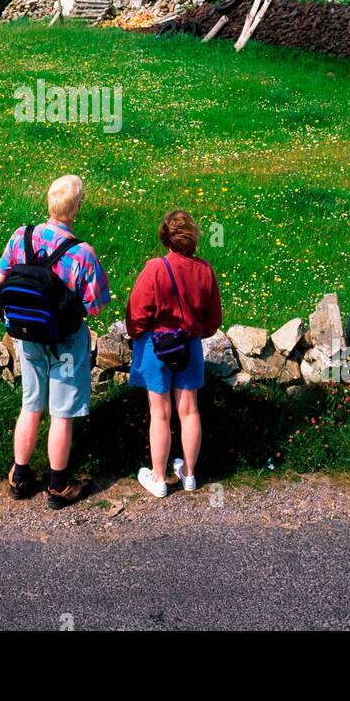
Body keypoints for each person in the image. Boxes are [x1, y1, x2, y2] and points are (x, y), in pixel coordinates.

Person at [0, 174, 110, 510]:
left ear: (49, 203)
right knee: (61, 412)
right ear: (76, 209)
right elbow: (96, 304)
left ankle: (19, 476)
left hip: (27, 337)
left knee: (31, 404)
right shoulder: (82, 253)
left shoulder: (21, 237)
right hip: (66, 340)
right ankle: (58, 485)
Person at [125, 210, 222, 498]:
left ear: (165, 238)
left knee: (160, 413)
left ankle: (159, 478)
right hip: (188, 345)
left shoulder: (155, 268)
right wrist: (194, 333)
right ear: (193, 238)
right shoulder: (204, 271)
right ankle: (190, 474)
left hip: (157, 345)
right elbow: (213, 319)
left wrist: (137, 332)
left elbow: (137, 313)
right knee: (189, 410)